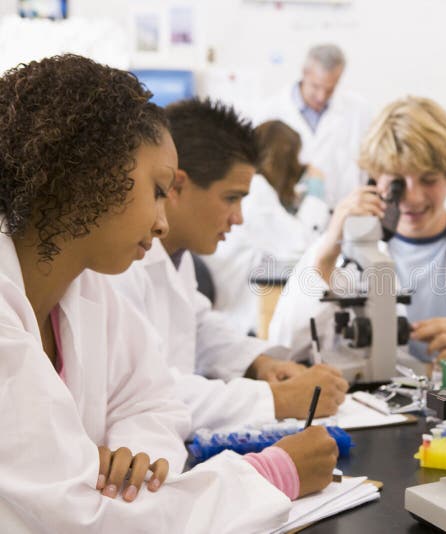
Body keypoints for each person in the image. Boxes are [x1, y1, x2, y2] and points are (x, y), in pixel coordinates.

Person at [0, 54, 336, 532]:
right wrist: (272, 474)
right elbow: (84, 519)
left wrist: (137, 461)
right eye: (158, 190)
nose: (163, 219)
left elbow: (152, 400)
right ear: (89, 179)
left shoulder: (88, 287)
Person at [110, 99, 348, 434]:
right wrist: (276, 399)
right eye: (231, 198)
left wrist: (259, 363)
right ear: (177, 186)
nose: (238, 218)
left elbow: (199, 325)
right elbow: (147, 393)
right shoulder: (120, 267)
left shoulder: (175, 255)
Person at [268, 96, 446, 368]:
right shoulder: (342, 250)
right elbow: (284, 346)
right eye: (397, 182)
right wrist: (327, 252)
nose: (413, 197)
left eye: (428, 179)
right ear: (374, 178)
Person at [203, 119, 331, 335]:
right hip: (237, 318)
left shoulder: (255, 189)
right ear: (286, 160)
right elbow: (301, 248)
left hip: (233, 308)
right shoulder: (257, 190)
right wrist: (316, 196)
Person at [255, 44, 372, 208]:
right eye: (316, 86)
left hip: (345, 215)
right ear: (304, 72)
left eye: (330, 89)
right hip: (287, 214)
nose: (321, 97)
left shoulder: (359, 110)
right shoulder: (270, 110)